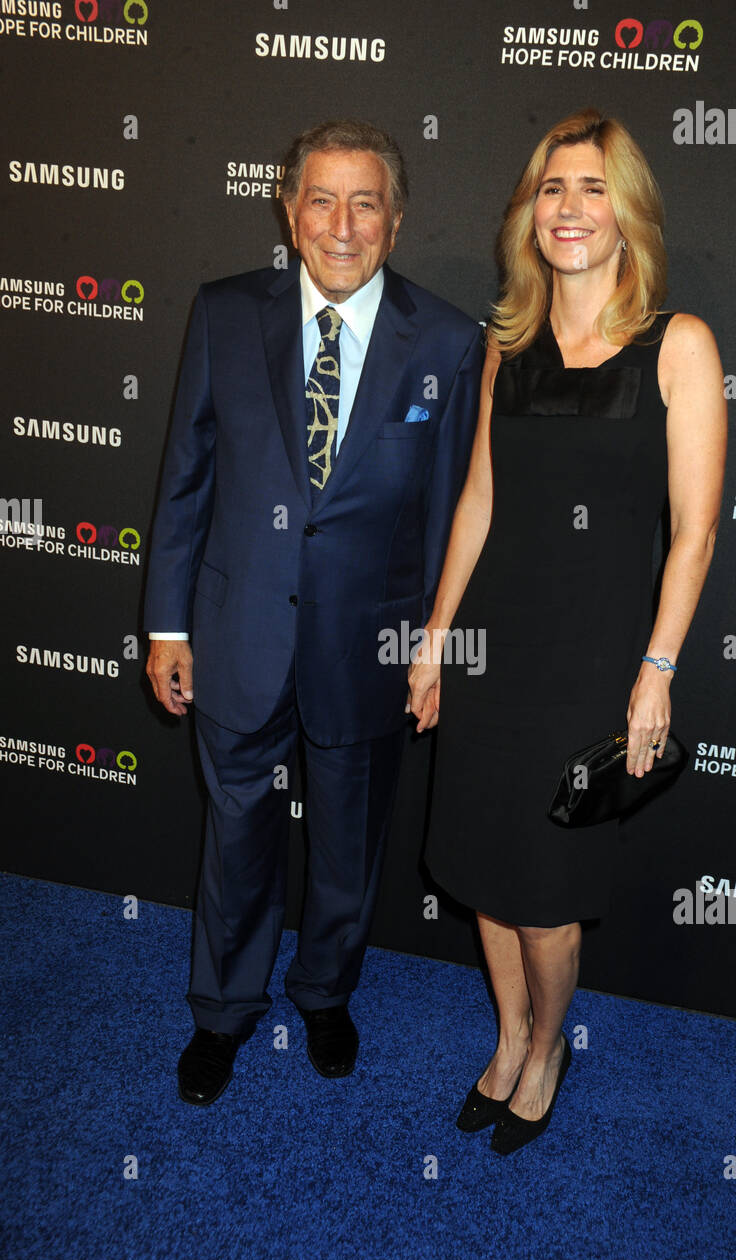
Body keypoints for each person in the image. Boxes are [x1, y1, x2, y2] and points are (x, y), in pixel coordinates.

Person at [144, 119, 483, 1105]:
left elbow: (458, 512)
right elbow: (184, 481)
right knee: (235, 839)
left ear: (396, 218)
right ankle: (223, 1011)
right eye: (321, 200)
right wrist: (167, 623)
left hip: (366, 648)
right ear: (288, 211)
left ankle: (326, 989)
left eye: (364, 201)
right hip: (236, 633)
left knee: (348, 844)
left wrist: (434, 649)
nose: (342, 225)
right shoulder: (220, 314)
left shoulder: (452, 342)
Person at [408, 109, 726, 1155]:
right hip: (495, 648)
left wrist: (656, 671)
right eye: (552, 188)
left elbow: (693, 531)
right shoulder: (509, 348)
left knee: (544, 895)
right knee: (481, 869)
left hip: (592, 663)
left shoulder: (675, 345)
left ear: (625, 209)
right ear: (529, 213)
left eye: (591, 188)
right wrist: (438, 638)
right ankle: (505, 1036)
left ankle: (549, 1045)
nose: (569, 209)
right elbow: (477, 506)